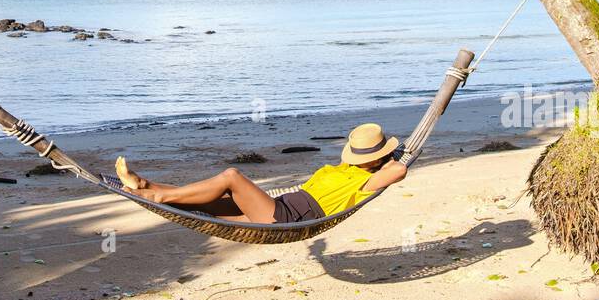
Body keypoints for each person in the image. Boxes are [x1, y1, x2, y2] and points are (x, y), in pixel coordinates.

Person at [114, 121, 406, 224]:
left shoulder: (367, 181)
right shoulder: (344, 168)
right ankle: (144, 184)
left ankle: (155, 193)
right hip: (276, 207)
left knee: (231, 177)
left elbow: (399, 169)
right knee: (200, 202)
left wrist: (390, 158)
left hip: (289, 219)